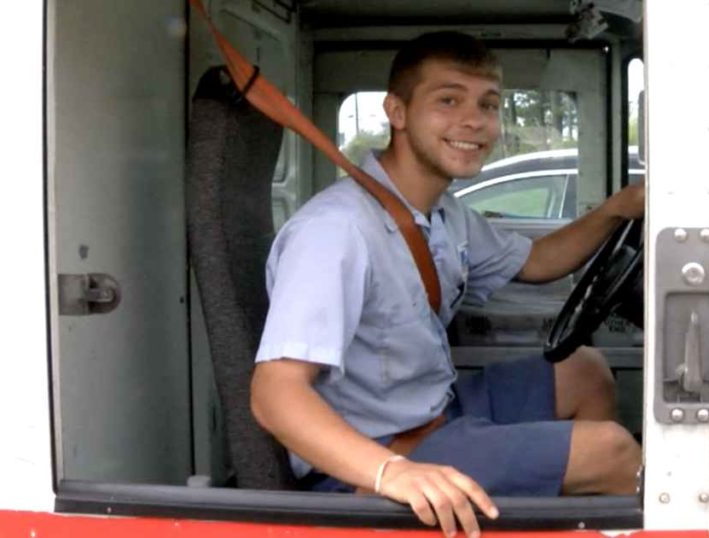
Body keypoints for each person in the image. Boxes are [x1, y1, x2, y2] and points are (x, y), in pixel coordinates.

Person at [251, 31, 644, 538]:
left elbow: (539, 260)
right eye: (448, 100)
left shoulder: (441, 214)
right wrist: (391, 473)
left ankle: (557, 515)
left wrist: (617, 209)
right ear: (397, 112)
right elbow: (274, 393)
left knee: (586, 369)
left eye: (488, 104)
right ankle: (582, 491)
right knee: (613, 451)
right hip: (375, 455)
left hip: (435, 410)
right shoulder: (336, 231)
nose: (474, 121)